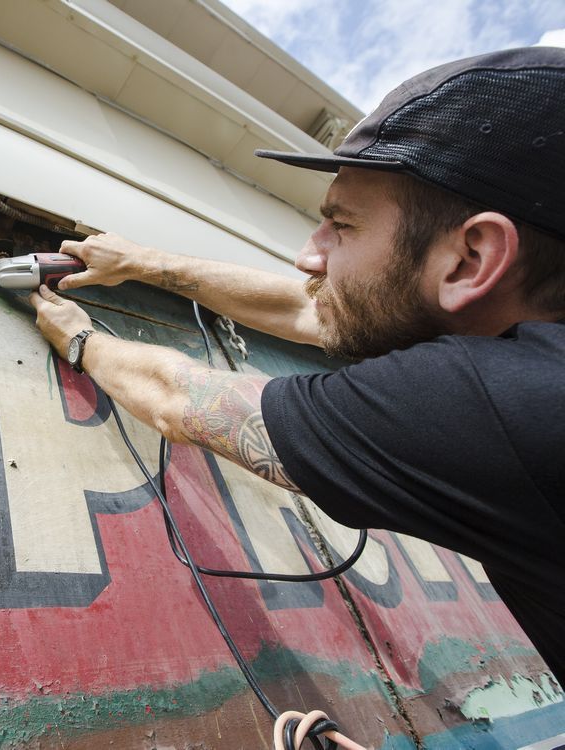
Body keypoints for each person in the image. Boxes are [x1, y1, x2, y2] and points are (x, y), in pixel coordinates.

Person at [29, 47, 565, 681]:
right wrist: (143, 264)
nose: (309, 257)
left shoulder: (494, 402)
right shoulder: (534, 364)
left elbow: (179, 399)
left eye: (341, 225)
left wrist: (80, 337)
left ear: (472, 258)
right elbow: (316, 313)